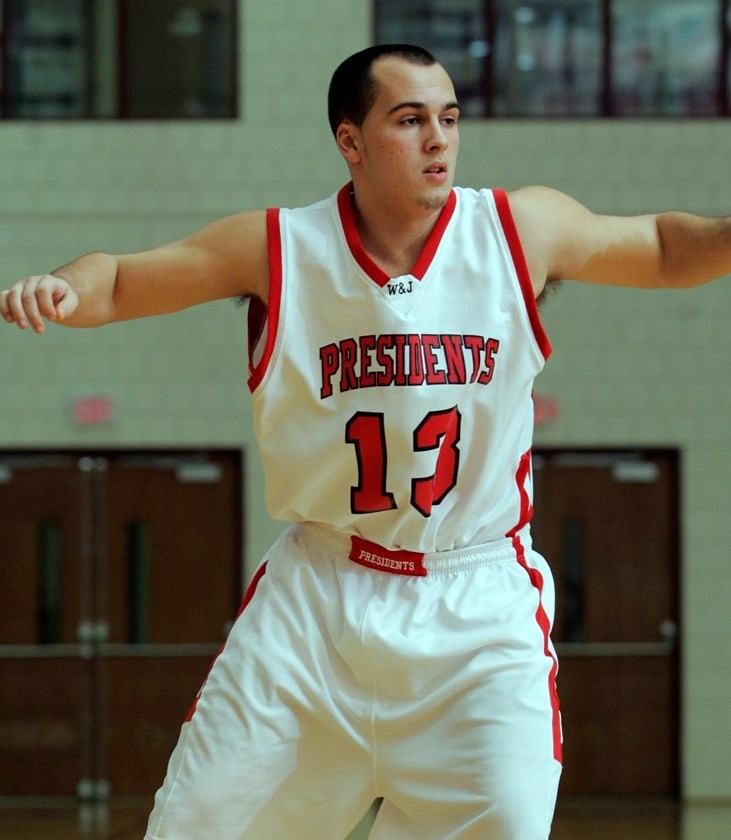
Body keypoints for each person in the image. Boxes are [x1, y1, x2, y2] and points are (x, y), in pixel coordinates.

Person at [2, 43, 730, 840]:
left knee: (510, 825)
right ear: (349, 141)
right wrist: (61, 287)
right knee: (196, 826)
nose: (438, 139)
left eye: (447, 118)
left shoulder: (519, 229)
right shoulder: (278, 247)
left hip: (477, 604)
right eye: (409, 119)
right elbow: (120, 280)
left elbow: (663, 248)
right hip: (322, 597)